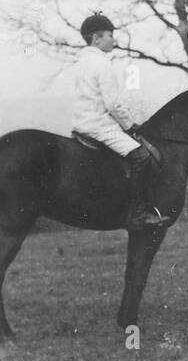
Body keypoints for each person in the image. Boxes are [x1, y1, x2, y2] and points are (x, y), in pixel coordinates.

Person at [72, 13, 168, 229]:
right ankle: (139, 214)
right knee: (142, 157)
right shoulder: (102, 65)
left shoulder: (82, 63)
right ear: (96, 39)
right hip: (99, 126)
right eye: (109, 35)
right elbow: (113, 105)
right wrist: (130, 125)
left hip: (81, 125)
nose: (113, 40)